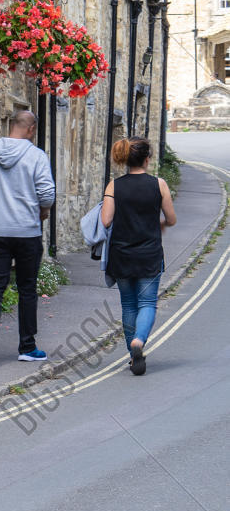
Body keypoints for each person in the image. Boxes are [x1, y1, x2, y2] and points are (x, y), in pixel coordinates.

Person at [0, 110, 56, 366]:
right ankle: (27, 347)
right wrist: (43, 212)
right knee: (27, 288)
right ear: (31, 129)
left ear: (12, 125)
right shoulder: (37, 156)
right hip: (27, 232)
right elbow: (47, 194)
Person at [102, 137, 176, 376]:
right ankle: (139, 341)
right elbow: (171, 219)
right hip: (149, 254)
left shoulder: (114, 186)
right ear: (147, 159)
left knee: (128, 304)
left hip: (121, 254)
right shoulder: (159, 184)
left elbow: (106, 220)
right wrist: (160, 224)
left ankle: (132, 357)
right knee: (147, 303)